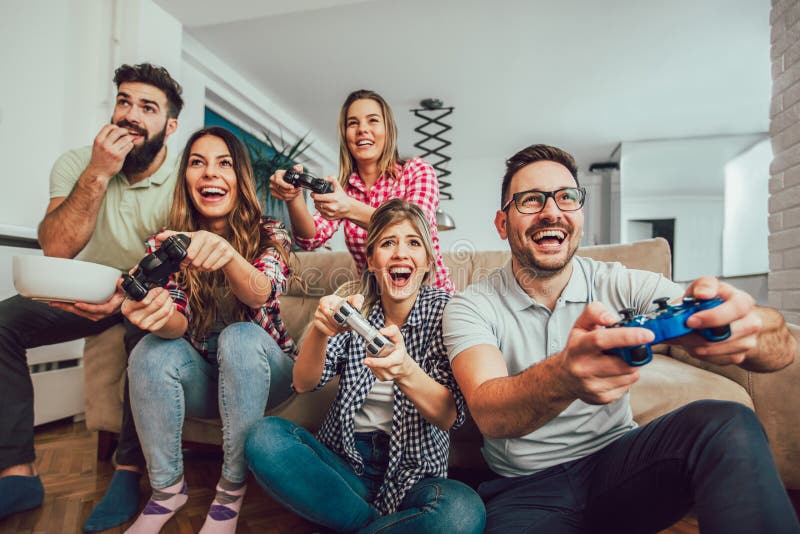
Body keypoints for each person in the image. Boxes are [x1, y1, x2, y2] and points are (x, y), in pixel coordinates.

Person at [442, 144, 800, 533]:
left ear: (580, 215)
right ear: (502, 223)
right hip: (524, 490)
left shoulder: (619, 282)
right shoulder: (470, 305)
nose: (551, 211)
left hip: (621, 465)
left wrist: (753, 328)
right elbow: (491, 414)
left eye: (566, 197)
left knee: (727, 423)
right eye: (531, 200)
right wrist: (565, 375)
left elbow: (782, 351)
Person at [0, 63, 184, 531]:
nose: (131, 115)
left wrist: (128, 296)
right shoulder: (78, 163)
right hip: (84, 291)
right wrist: (99, 173)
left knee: (146, 331)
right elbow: (57, 248)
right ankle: (17, 472)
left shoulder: (185, 177)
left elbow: (181, 265)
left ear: (170, 126)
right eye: (124, 101)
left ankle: (128, 471)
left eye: (147, 107)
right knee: (2, 324)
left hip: (148, 293)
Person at [245, 199, 485, 533]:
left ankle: (347, 519)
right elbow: (302, 382)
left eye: (413, 243)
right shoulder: (356, 307)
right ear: (371, 260)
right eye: (388, 243)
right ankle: (376, 524)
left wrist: (405, 370)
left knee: (462, 511)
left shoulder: (448, 313)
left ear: (429, 261)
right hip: (345, 464)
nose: (400, 253)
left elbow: (447, 417)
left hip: (414, 476)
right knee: (264, 437)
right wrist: (319, 331)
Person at [121, 126, 297, 534]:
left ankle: (230, 490)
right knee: (148, 349)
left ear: (240, 178)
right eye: (197, 163)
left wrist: (227, 254)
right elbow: (176, 325)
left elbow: (261, 292)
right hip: (206, 376)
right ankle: (167, 491)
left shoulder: (271, 232)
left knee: (239, 336)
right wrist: (155, 313)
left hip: (269, 374)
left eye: (224, 163)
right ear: (186, 177)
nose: (210, 173)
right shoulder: (166, 243)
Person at [270, 89, 455, 292]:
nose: (362, 129)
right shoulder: (343, 190)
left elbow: (417, 227)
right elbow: (310, 240)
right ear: (345, 134)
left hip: (433, 295)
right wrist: (293, 196)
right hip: (378, 302)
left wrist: (349, 208)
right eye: (353, 123)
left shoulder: (417, 170)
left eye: (373, 120)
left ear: (388, 130)